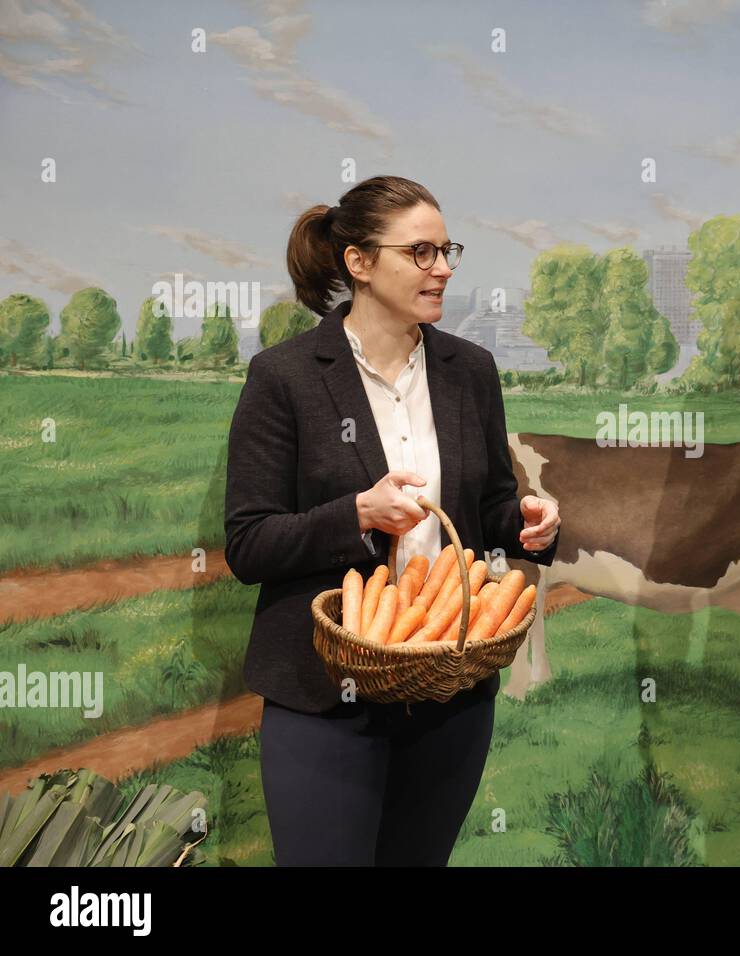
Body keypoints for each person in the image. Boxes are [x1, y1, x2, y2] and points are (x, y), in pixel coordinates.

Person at [224, 175, 561, 865]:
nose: (444, 269)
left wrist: (526, 521)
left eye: (447, 251)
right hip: (322, 699)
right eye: (422, 253)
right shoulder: (283, 378)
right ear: (360, 263)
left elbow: (489, 507)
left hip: (450, 697)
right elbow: (249, 543)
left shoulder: (470, 370)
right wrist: (356, 514)